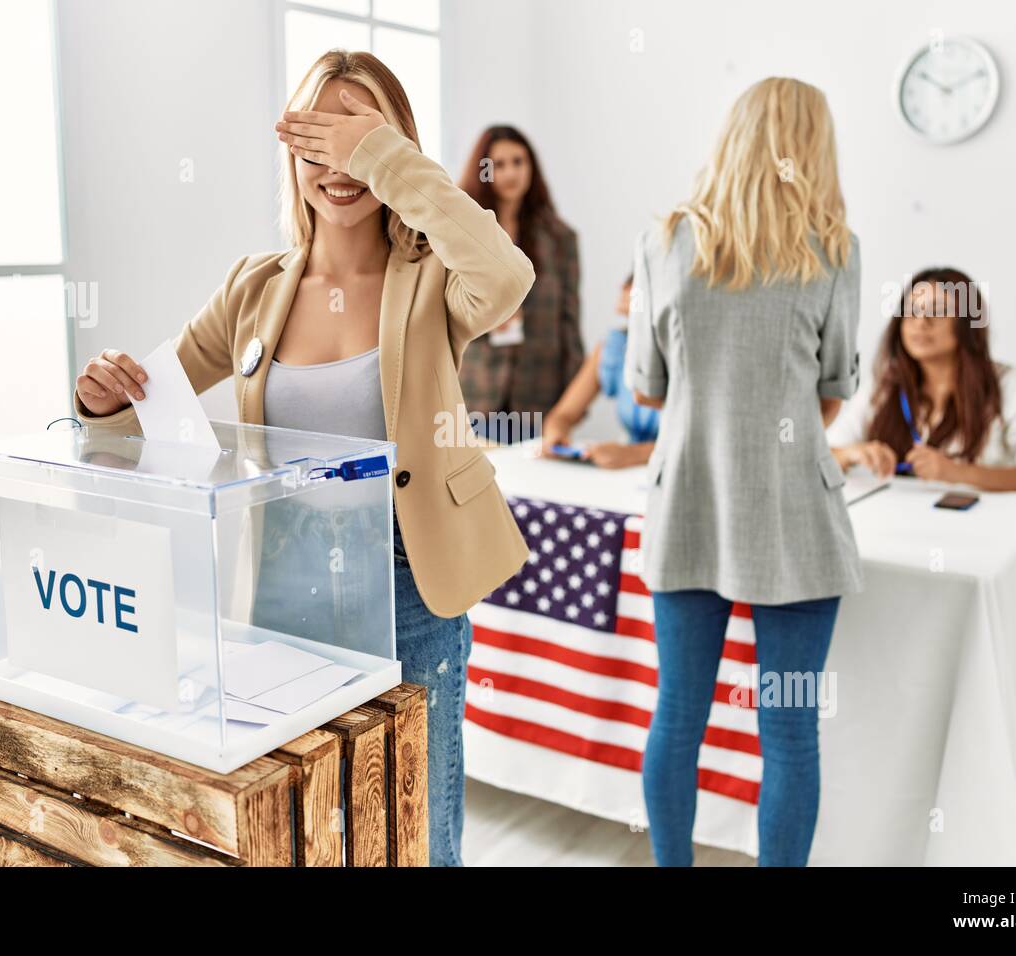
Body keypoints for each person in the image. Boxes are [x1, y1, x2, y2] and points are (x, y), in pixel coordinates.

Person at [72, 50, 534, 866]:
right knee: (310, 833)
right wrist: (103, 399)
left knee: (417, 834)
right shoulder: (255, 286)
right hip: (279, 594)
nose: (340, 165)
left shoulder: (433, 280)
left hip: (406, 588)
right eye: (321, 140)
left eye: (360, 138)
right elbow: (151, 407)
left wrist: (382, 156)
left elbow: (506, 272)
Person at [626, 77, 863, 867]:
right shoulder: (835, 248)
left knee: (678, 715)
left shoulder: (664, 240)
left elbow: (646, 388)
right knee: (789, 730)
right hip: (795, 513)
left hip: (687, 502)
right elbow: (832, 392)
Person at [828, 268, 1016, 492]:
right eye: (912, 311)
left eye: (937, 311)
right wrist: (852, 454)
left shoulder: (1011, 385)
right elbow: (825, 452)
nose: (921, 322)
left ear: (967, 323)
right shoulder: (886, 386)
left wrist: (957, 473)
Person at [456, 125, 583, 441]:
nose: (511, 172)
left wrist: (571, 403)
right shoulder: (462, 233)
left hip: (538, 394)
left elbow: (569, 323)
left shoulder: (559, 239)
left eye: (519, 161)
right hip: (473, 391)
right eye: (498, 164)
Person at [539, 272, 659, 467]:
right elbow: (563, 415)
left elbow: (702, 443)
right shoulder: (614, 347)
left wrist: (634, 454)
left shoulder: (690, 359)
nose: (623, 288)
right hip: (626, 473)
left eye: (633, 285)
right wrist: (556, 436)